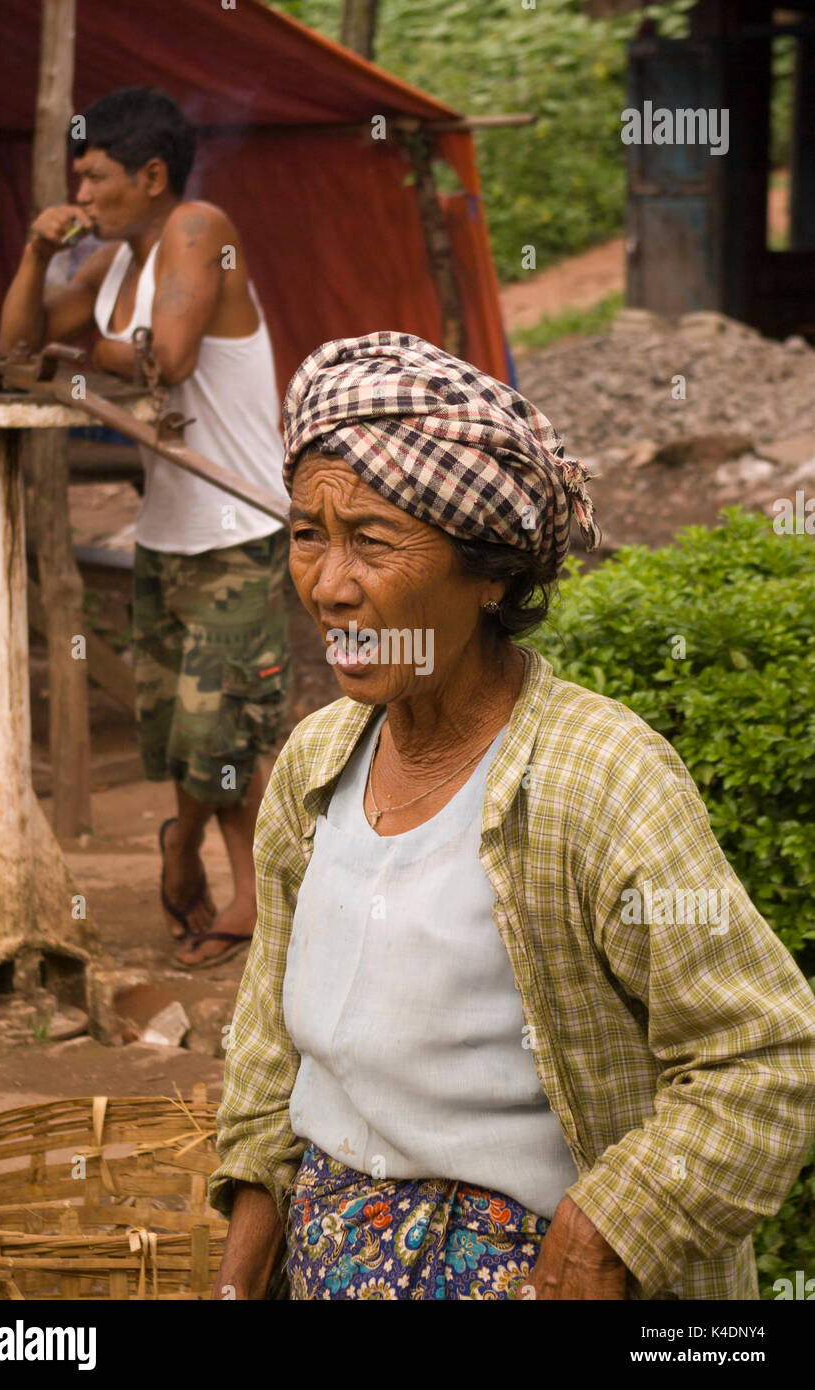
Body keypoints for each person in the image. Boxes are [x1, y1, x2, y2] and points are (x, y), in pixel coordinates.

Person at [208, 330, 815, 1300]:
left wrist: (608, 1231)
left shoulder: (598, 778)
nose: (328, 583)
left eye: (371, 539)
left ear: (489, 572)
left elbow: (767, 1054)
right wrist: (238, 1279)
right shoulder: (318, 764)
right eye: (307, 534)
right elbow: (270, 1046)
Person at [0, 86, 291, 969]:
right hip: (165, 532)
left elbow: (167, 358)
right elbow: (16, 350)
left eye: (94, 180)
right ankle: (210, 868)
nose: (80, 198)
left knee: (222, 731)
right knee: (177, 731)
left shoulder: (199, 228)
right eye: (78, 183)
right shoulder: (114, 262)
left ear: (151, 175)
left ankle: (213, 873)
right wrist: (34, 251)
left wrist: (93, 349)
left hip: (241, 524)